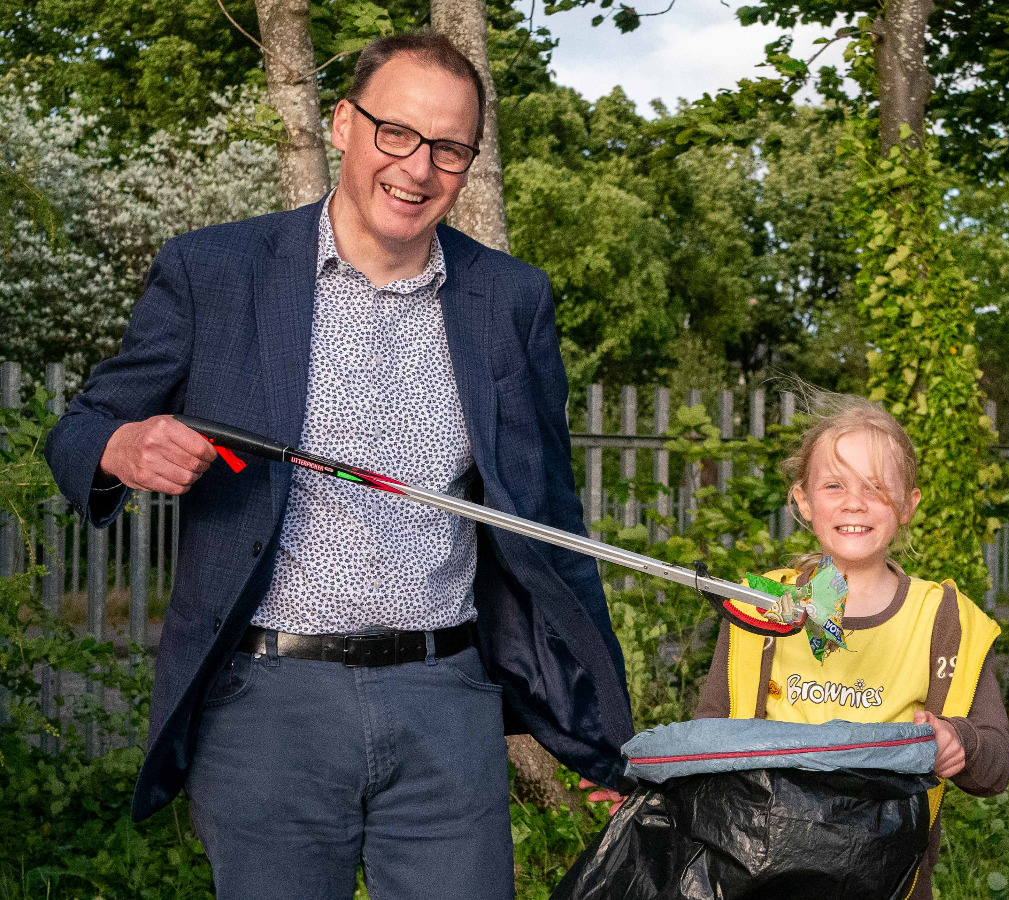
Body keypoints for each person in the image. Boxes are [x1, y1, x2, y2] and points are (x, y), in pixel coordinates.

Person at [43, 31, 633, 900]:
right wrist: (121, 447)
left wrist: (605, 730)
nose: (418, 168)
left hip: (447, 703)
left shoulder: (511, 300)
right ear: (342, 124)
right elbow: (79, 427)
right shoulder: (216, 271)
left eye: (449, 148)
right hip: (265, 704)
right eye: (396, 132)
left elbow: (547, 524)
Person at [689, 393, 1009, 900]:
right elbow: (705, 740)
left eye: (877, 487)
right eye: (834, 485)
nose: (854, 502)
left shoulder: (946, 622)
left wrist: (960, 742)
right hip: (759, 882)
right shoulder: (758, 604)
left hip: (890, 886)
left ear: (908, 504)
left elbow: (996, 766)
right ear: (803, 500)